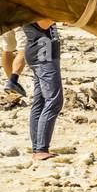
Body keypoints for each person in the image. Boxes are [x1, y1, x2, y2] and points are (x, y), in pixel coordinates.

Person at [24, 20, 65, 161]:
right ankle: (40, 149)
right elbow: (44, 24)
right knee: (54, 101)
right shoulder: (36, 3)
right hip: (43, 54)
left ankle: (38, 148)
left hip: (43, 52)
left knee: (40, 101)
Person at [1, 29, 27, 98]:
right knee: (24, 49)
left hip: (4, 19)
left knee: (7, 49)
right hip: (22, 20)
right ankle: (13, 81)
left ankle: (11, 83)